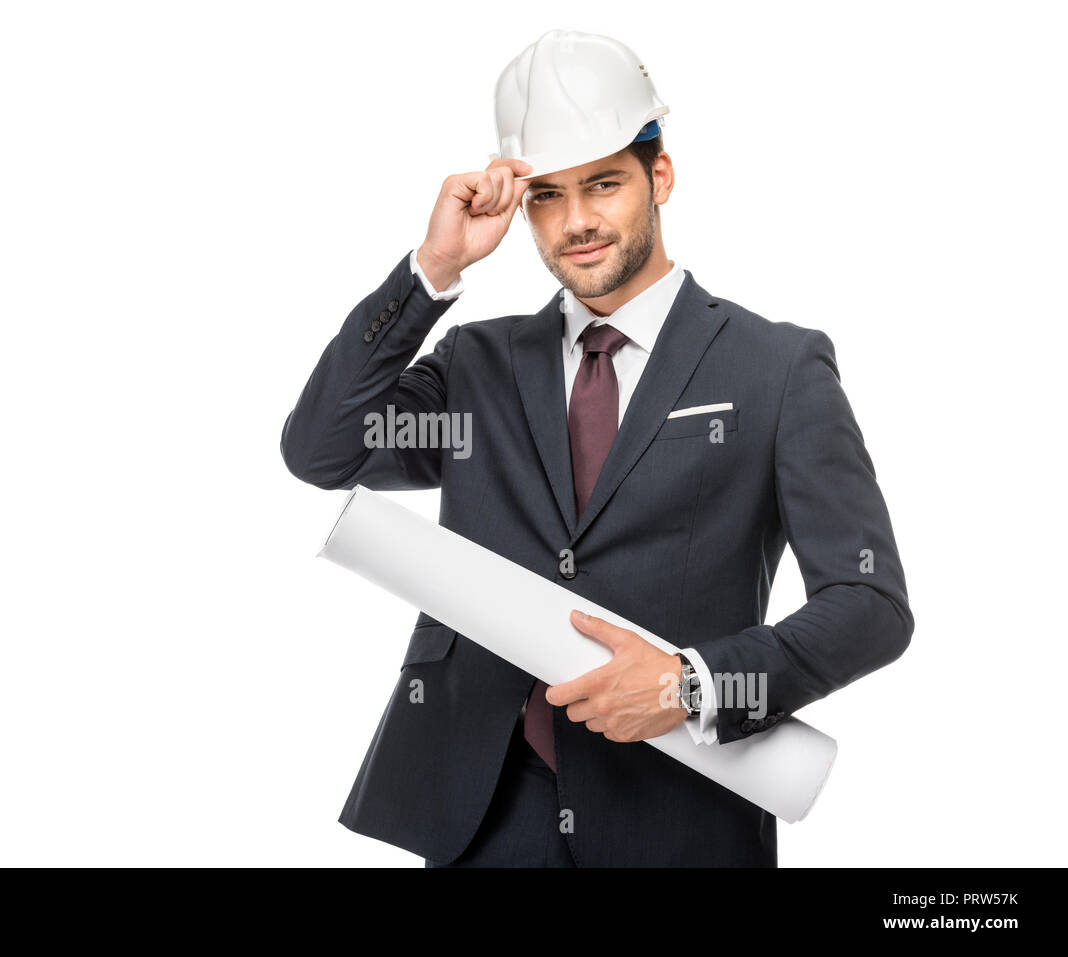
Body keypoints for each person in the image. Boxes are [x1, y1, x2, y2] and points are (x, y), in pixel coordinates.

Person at [280, 29, 913, 867]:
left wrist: (693, 683)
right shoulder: (478, 363)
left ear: (661, 175)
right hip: (484, 820)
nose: (575, 222)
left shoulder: (777, 369)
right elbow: (322, 449)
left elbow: (869, 606)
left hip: (678, 817)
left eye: (604, 184)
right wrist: (432, 268)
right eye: (546, 195)